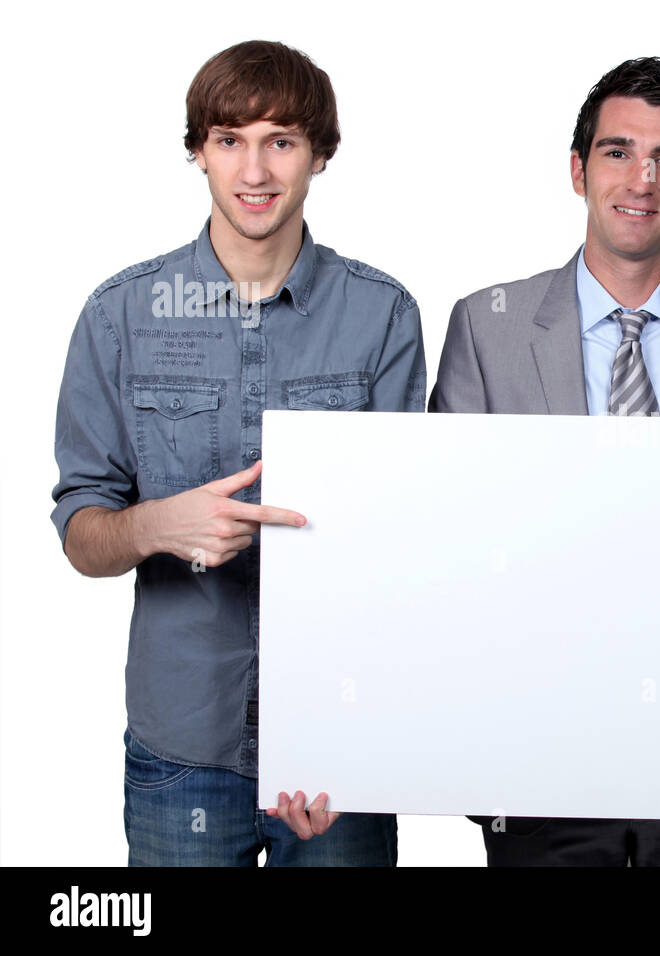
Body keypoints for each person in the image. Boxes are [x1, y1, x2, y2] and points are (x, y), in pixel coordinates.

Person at [50, 40, 427, 866]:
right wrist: (156, 526)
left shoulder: (384, 315)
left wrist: (362, 740)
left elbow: (405, 544)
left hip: (332, 754)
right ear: (197, 151)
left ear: (320, 154)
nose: (255, 171)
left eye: (281, 141)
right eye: (229, 139)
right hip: (181, 748)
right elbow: (81, 531)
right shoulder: (120, 315)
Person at [430, 57, 660, 866]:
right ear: (577, 169)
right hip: (537, 744)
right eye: (618, 152)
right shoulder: (487, 328)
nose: (641, 179)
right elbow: (447, 534)